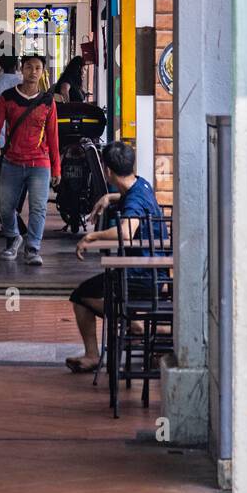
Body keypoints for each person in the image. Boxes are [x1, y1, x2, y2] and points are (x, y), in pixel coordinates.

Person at [64, 140, 168, 372]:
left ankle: (137, 325)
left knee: (80, 296)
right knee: (92, 292)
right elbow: (132, 200)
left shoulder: (135, 199)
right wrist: (109, 198)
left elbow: (125, 232)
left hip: (139, 277)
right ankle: (136, 323)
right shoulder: (142, 185)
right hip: (154, 272)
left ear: (108, 171)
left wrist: (93, 237)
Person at [0, 53, 61, 266]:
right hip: (12, 162)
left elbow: (53, 136)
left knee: (38, 208)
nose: (33, 72)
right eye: (29, 67)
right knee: (6, 208)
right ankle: (13, 237)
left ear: (43, 71)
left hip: (40, 163)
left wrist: (56, 168)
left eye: (38, 68)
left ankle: (33, 248)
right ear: (22, 68)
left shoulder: (48, 102)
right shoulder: (8, 97)